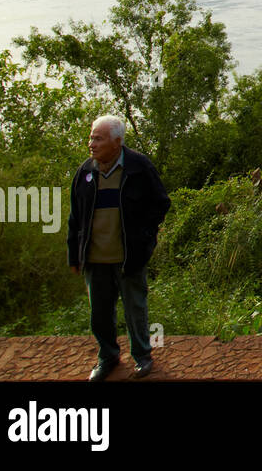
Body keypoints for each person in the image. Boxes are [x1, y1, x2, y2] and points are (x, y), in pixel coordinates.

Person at [67, 115, 171, 381]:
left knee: (135, 309)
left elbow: (161, 203)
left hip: (129, 257)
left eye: (98, 138)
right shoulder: (85, 172)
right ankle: (108, 357)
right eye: (91, 137)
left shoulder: (138, 167)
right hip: (94, 258)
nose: (92, 143)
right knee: (99, 314)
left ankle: (143, 357)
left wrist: (145, 237)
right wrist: (74, 254)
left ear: (117, 142)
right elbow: (75, 217)